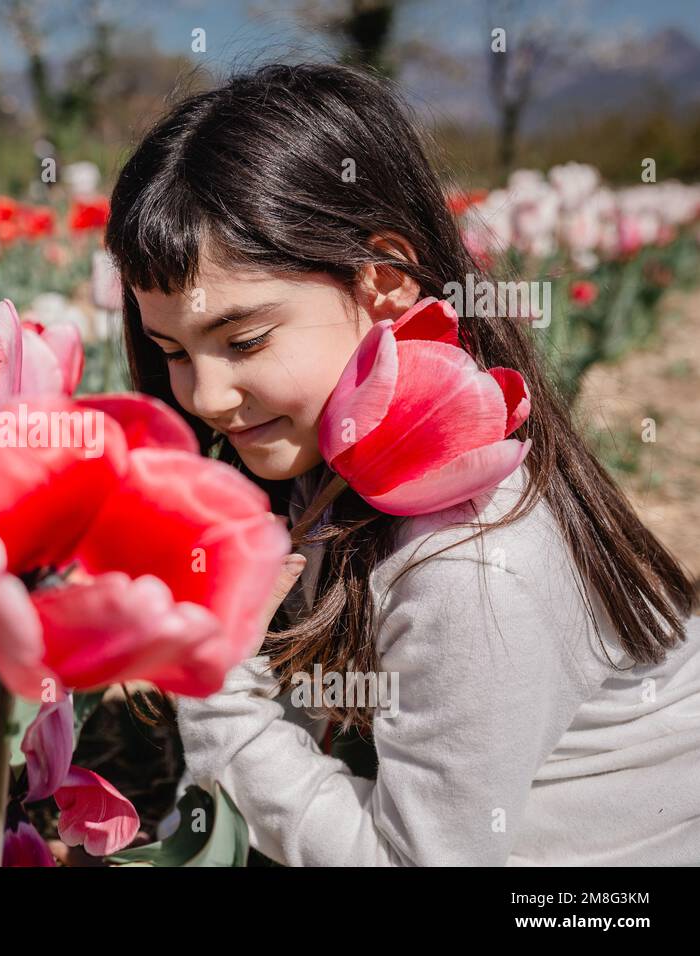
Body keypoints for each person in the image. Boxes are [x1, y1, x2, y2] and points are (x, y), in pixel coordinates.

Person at [104, 62, 700, 865]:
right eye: (172, 350)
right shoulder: (325, 458)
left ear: (385, 280)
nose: (205, 396)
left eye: (244, 341)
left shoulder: (475, 562)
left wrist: (215, 681)